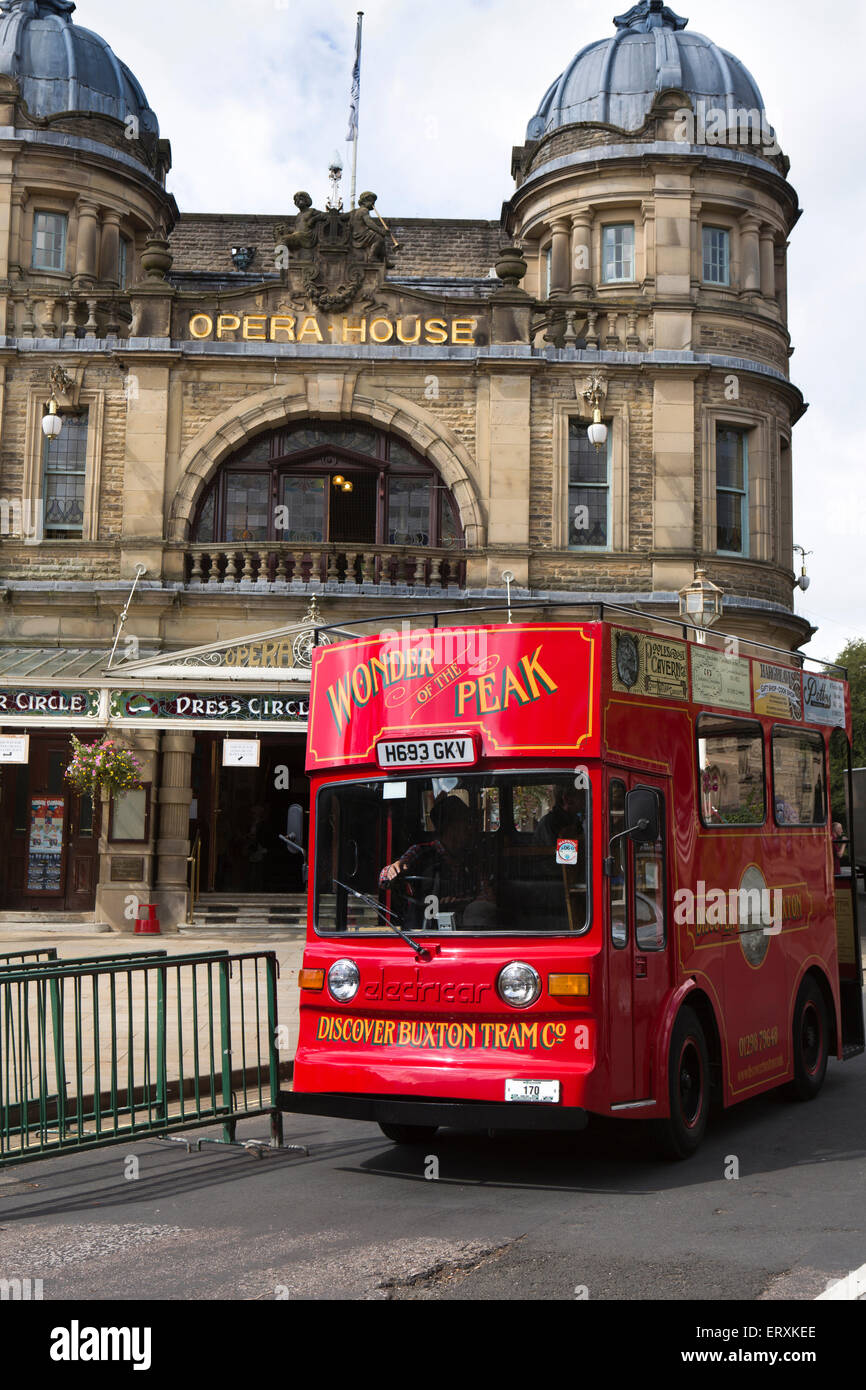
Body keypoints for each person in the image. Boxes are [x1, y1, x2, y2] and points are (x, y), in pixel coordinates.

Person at [379, 795, 481, 928]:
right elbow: (385, 878)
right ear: (450, 827)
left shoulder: (468, 857)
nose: (469, 830)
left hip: (462, 928)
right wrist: (391, 870)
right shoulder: (421, 851)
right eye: (465, 824)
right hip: (423, 930)